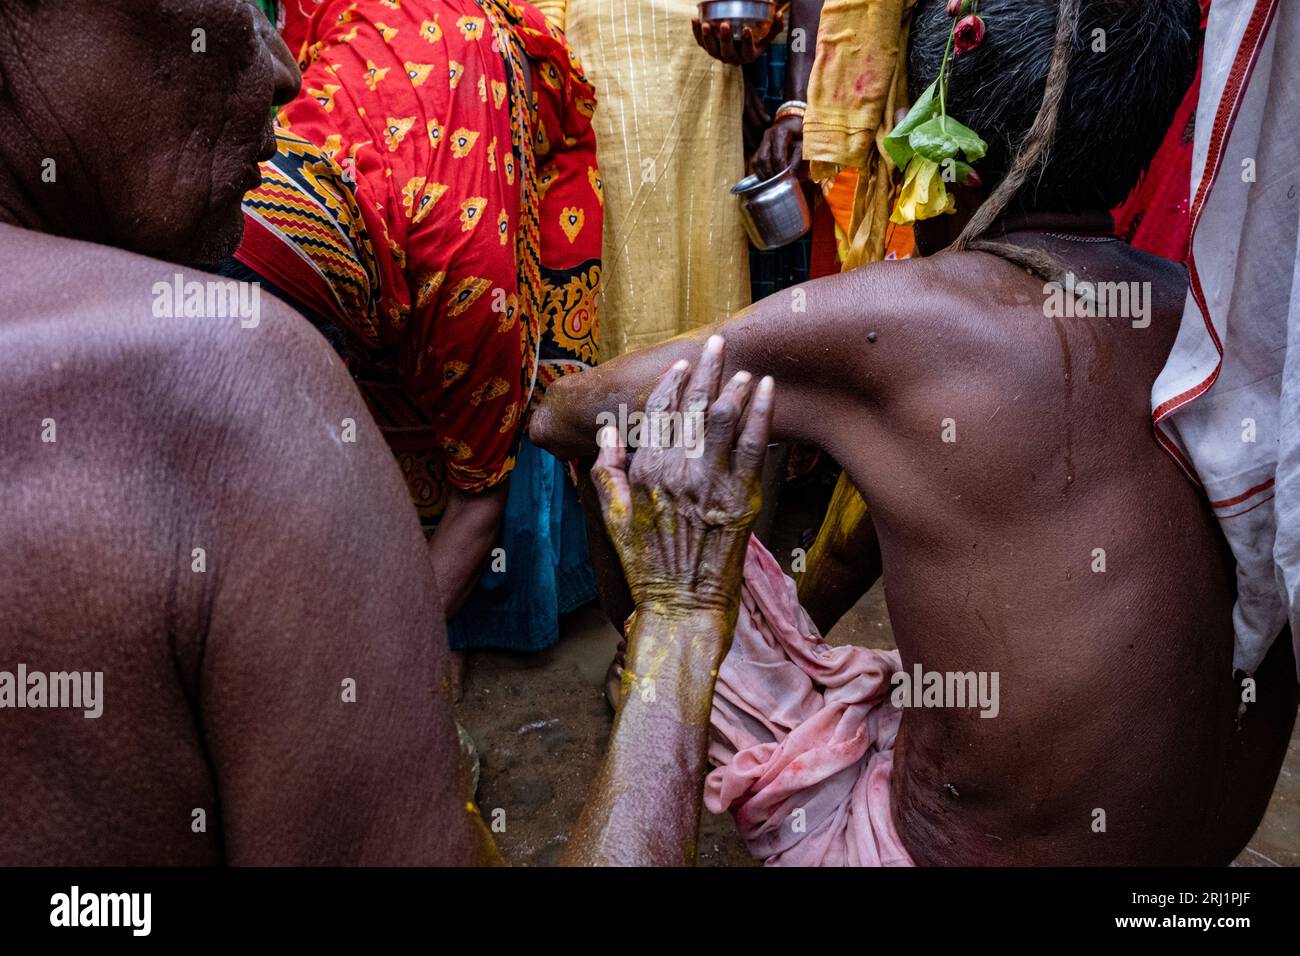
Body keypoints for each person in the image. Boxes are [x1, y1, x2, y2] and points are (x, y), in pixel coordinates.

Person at [0, 0, 770, 866]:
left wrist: (367, 641)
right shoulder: (235, 368)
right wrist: (680, 617)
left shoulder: (472, 279)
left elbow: (483, 490)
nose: (281, 70)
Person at [531, 0, 1299, 864]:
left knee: (629, 451)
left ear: (934, 131)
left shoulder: (907, 318)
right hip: (1198, 858)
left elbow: (566, 414)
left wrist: (677, 588)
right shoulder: (1213, 320)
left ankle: (652, 678)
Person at [226, 0, 602, 638]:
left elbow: (478, 500)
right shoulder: (262, 174)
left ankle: (464, 627)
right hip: (374, 40)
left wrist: (377, 666)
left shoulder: (474, 285)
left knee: (485, 437)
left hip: (474, 93)